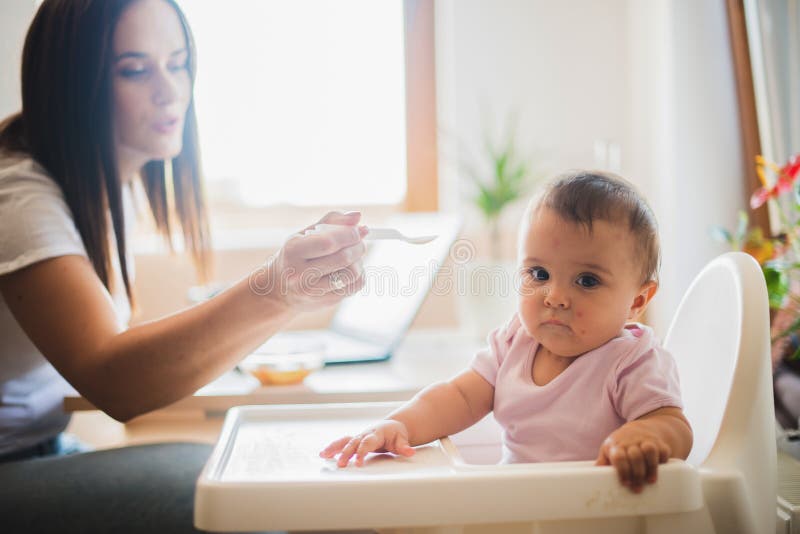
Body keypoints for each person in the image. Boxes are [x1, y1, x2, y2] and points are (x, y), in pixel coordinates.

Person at [0, 0, 365, 531]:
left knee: (265, 473)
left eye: (177, 62)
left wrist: (285, 293)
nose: (170, 90)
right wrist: (280, 290)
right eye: (134, 70)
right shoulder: (21, 197)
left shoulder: (104, 186)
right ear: (71, 84)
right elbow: (113, 382)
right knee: (227, 488)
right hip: (15, 464)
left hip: (46, 448)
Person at [321, 171, 693, 494]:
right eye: (539, 274)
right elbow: (459, 396)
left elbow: (674, 425)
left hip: (594, 512)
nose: (556, 297)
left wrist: (647, 437)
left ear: (638, 300)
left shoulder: (631, 360)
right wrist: (399, 424)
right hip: (519, 506)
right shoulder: (516, 341)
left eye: (587, 280)